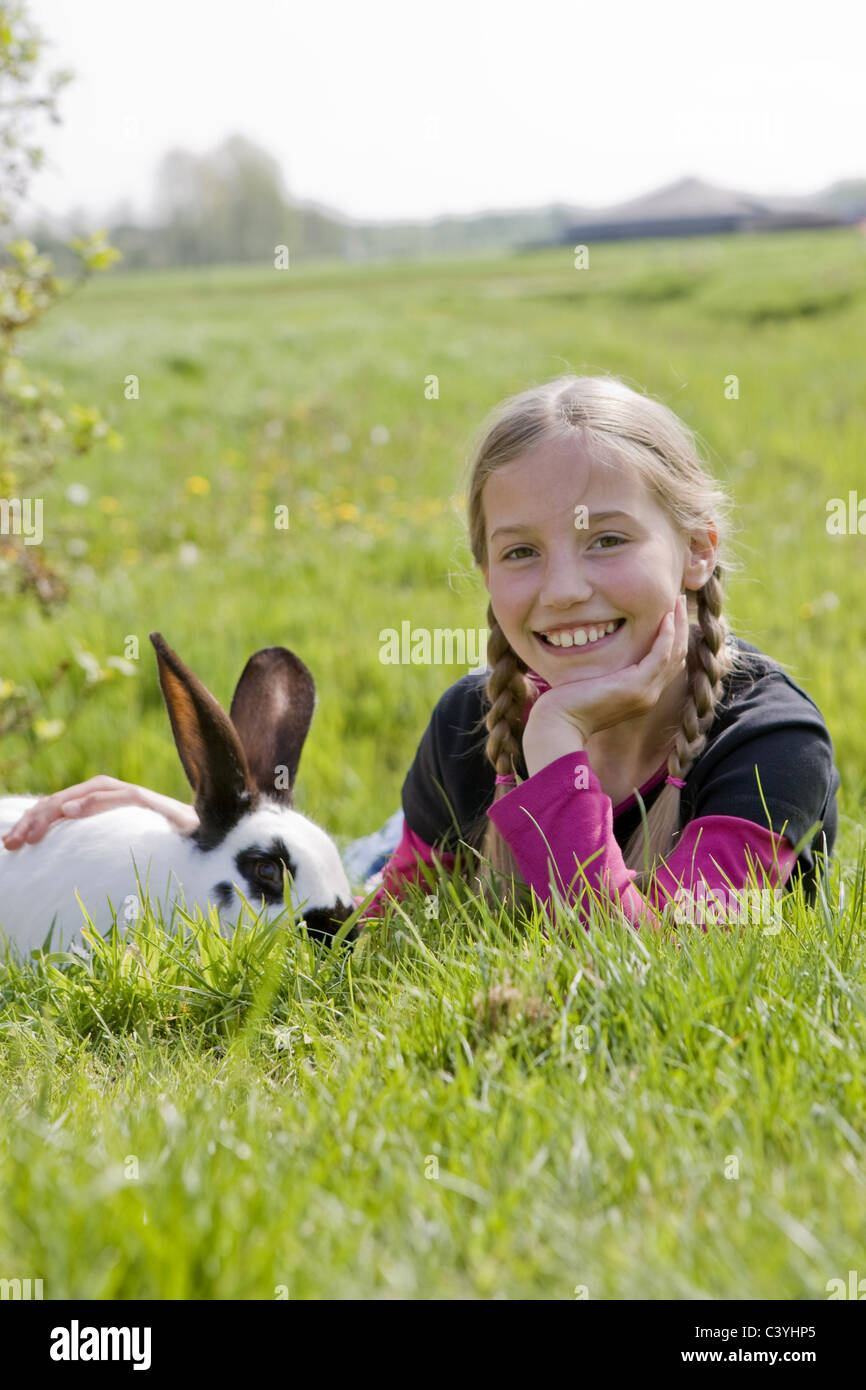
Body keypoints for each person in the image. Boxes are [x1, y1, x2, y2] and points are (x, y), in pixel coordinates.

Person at [2, 376, 840, 936]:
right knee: (378, 854)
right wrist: (209, 832)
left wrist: (554, 748)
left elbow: (656, 967)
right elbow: (368, 931)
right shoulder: (469, 724)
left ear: (698, 550)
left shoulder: (769, 748)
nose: (563, 590)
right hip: (396, 836)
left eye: (608, 539)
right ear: (483, 570)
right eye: (520, 554)